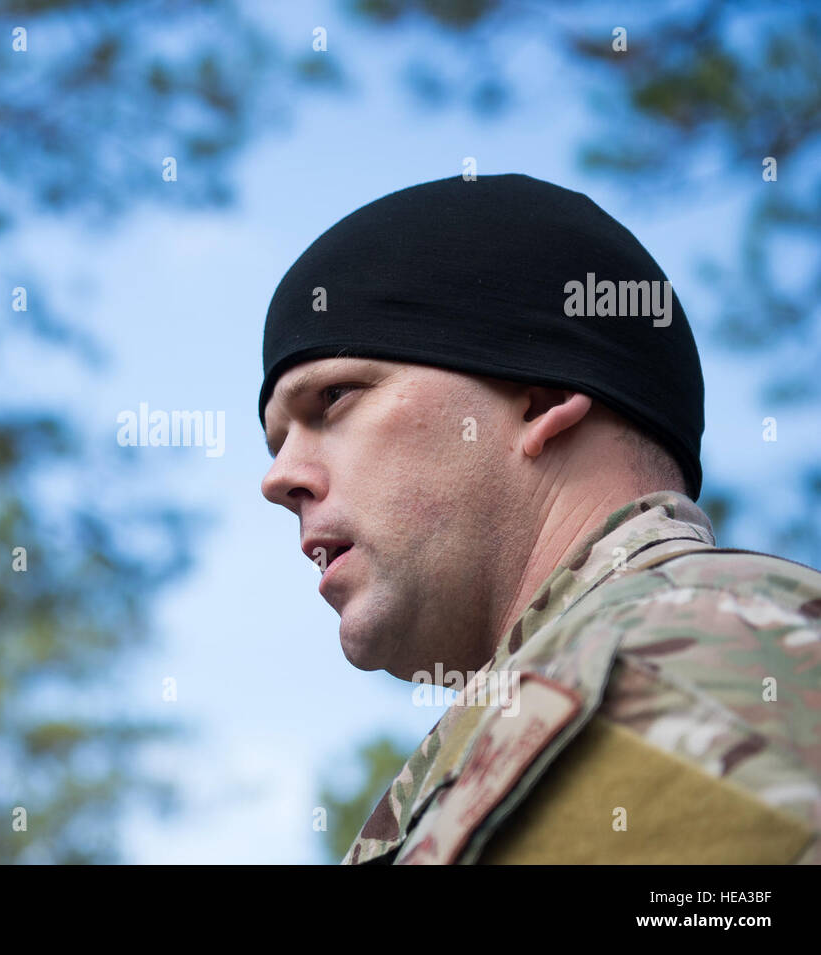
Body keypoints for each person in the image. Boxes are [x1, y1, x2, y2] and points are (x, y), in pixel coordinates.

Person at [257, 173, 821, 864]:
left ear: (541, 398)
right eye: (277, 439)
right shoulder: (535, 710)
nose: (278, 479)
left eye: (332, 398)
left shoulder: (691, 647)